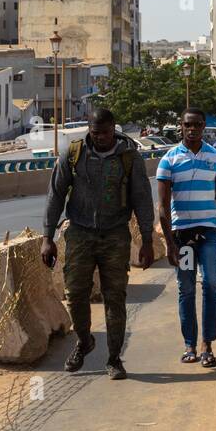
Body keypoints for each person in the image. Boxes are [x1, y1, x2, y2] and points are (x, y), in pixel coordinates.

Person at [41, 108, 154, 380]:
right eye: (95, 132)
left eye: (105, 132)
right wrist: (47, 237)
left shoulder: (129, 158)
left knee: (115, 297)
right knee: (76, 293)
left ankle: (114, 358)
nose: (101, 137)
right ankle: (84, 341)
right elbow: (55, 195)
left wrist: (147, 240)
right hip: (80, 232)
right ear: (89, 130)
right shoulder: (73, 154)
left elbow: (142, 199)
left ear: (113, 128)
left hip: (115, 235)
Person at [156, 108, 216, 368]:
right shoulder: (169, 160)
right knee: (187, 288)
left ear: (204, 127)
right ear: (181, 126)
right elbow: (163, 206)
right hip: (184, 237)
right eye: (188, 125)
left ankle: (207, 344)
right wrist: (169, 243)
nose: (192, 129)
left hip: (209, 232)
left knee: (211, 283)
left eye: (197, 125)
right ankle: (189, 344)